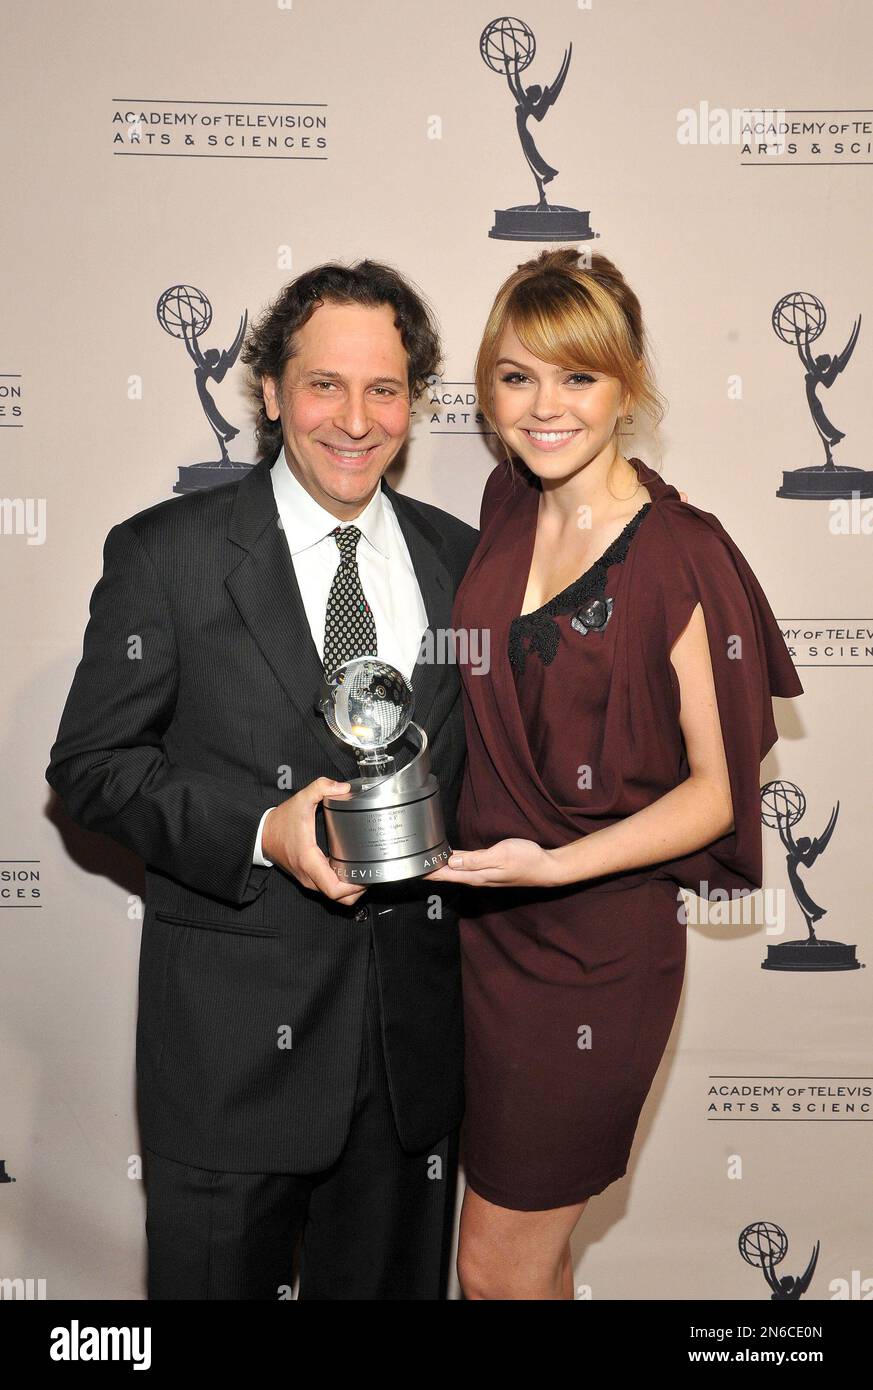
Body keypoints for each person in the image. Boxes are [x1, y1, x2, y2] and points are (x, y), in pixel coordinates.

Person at [45, 260, 478, 1300]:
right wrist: (260, 830)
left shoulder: (465, 562)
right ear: (273, 392)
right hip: (231, 1065)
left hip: (407, 1068)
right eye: (325, 384)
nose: (356, 419)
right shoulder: (170, 554)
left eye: (385, 389)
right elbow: (92, 768)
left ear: (414, 403)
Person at [426, 248, 804, 1300]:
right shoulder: (512, 504)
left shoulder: (682, 549)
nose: (546, 408)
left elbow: (716, 791)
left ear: (629, 385)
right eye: (516, 376)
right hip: (486, 932)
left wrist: (552, 869)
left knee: (496, 1266)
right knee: (516, 1263)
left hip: (595, 948)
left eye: (578, 376)